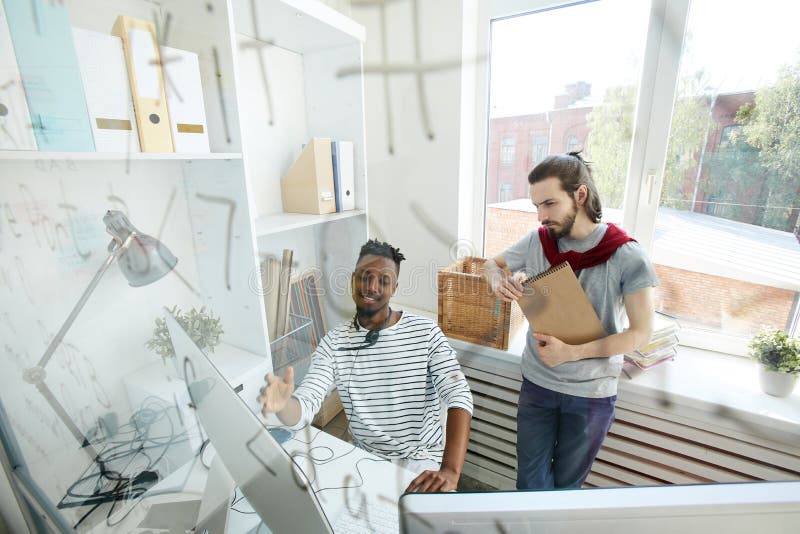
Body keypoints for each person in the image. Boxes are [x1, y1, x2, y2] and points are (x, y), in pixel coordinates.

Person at [482, 152, 658, 490]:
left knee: (566, 488)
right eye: (537, 206)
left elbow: (641, 333)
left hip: (591, 394)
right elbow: (492, 264)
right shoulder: (538, 240)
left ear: (580, 195)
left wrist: (572, 353)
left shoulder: (627, 255)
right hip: (538, 383)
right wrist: (497, 281)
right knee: (530, 484)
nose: (541, 216)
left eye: (549, 204)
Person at [259, 239, 473, 493]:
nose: (371, 286)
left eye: (383, 280)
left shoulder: (426, 332)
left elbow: (459, 395)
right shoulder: (334, 342)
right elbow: (306, 404)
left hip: (420, 461)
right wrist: (285, 407)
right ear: (353, 278)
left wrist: (449, 470)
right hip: (364, 459)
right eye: (365, 276)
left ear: (394, 287)